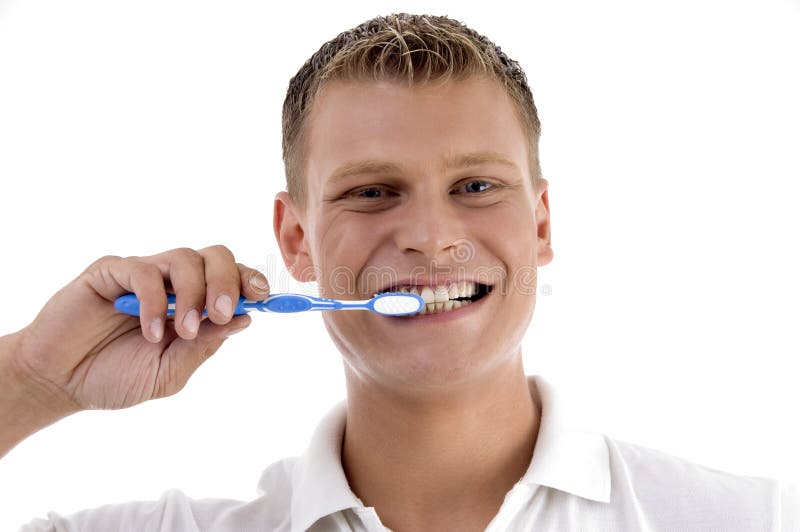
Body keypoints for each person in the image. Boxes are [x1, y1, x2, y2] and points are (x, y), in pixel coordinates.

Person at [2, 12, 797, 532]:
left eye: (476, 187)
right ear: (296, 239)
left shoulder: (753, 520)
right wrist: (35, 376)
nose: (427, 235)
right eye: (372, 192)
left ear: (542, 223)